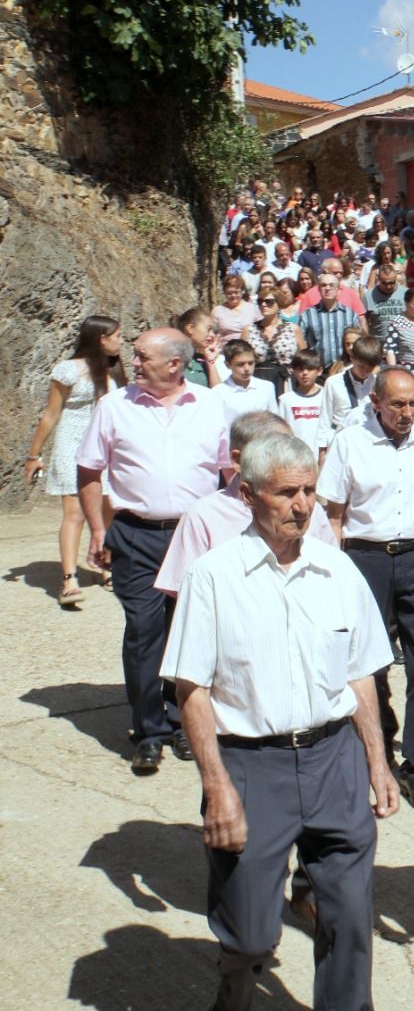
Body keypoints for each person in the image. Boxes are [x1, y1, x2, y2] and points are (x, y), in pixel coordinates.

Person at [161, 430, 397, 1011]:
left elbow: (360, 674)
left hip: (333, 759)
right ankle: (234, 997)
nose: (302, 506)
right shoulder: (213, 576)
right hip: (250, 764)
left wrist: (377, 762)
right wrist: (216, 787)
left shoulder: (337, 571)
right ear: (248, 495)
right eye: (286, 493)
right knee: (247, 932)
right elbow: (191, 688)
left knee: (349, 920)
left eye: (310, 491)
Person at [76, 328, 231, 772]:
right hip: (135, 534)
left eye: (142, 356)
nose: (134, 362)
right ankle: (149, 730)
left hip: (196, 536)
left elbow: (229, 472)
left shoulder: (209, 405)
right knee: (144, 632)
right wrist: (97, 529)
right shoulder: (114, 406)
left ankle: (186, 721)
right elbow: (88, 470)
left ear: (174, 365)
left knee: (194, 631)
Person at [319, 367, 414, 811]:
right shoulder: (349, 442)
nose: (406, 413)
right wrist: (333, 573)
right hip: (366, 560)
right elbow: (335, 517)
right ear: (376, 402)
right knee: (370, 665)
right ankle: (378, 743)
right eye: (397, 404)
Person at [155, 411, 336, 595]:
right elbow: (183, 590)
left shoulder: (309, 510)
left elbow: (333, 572)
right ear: (237, 460)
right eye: (273, 452)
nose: (287, 458)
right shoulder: (204, 516)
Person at [24, 315, 125, 607]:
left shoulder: (115, 370)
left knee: (109, 510)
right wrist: (34, 455)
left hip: (107, 448)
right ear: (100, 339)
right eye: (116, 336)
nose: (121, 341)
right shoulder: (67, 370)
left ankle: (106, 565)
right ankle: (69, 578)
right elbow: (51, 414)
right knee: (75, 513)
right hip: (73, 446)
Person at [316, 336, 384, 452]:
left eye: (370, 367)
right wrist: (322, 453)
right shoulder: (333, 383)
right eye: (361, 366)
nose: (365, 371)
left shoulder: (378, 383)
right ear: (352, 358)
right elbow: (325, 420)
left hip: (368, 443)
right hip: (340, 442)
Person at [299, 273, 365, 370]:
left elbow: (359, 343)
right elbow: (301, 343)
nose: (327, 288)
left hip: (345, 369)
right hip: (318, 371)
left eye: (331, 285)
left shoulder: (351, 314)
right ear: (318, 289)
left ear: (338, 289)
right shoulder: (307, 315)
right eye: (323, 285)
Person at [246, 289, 305, 395]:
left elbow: (304, 358)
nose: (263, 304)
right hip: (258, 380)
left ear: (279, 303)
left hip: (285, 380)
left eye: (269, 301)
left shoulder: (293, 329)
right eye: (260, 301)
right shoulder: (249, 330)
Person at [214, 340, 278, 428]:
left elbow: (274, 421)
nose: (247, 368)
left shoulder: (266, 387)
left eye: (251, 363)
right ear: (228, 365)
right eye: (240, 364)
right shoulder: (218, 392)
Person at [275, 349, 326, 452]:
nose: (305, 373)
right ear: (294, 371)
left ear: (319, 371)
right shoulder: (286, 400)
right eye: (300, 369)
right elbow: (281, 432)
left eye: (310, 369)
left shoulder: (326, 396)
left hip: (321, 455)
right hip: (296, 457)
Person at [176, 307, 222, 388]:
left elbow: (218, 393)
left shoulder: (202, 360)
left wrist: (210, 362)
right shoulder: (172, 360)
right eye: (208, 329)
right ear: (190, 329)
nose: (212, 335)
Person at [363, 263, 407, 344]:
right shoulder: (368, 296)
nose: (388, 286)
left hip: (402, 344)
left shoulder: (405, 293)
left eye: (391, 283)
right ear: (378, 280)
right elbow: (363, 321)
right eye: (385, 283)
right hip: (378, 344)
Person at [213, 275, 262, 342]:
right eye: (229, 293)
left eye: (236, 292)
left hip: (249, 347)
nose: (233, 295)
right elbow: (213, 333)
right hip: (226, 348)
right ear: (224, 292)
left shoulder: (252, 308)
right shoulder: (217, 310)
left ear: (242, 291)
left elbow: (261, 329)